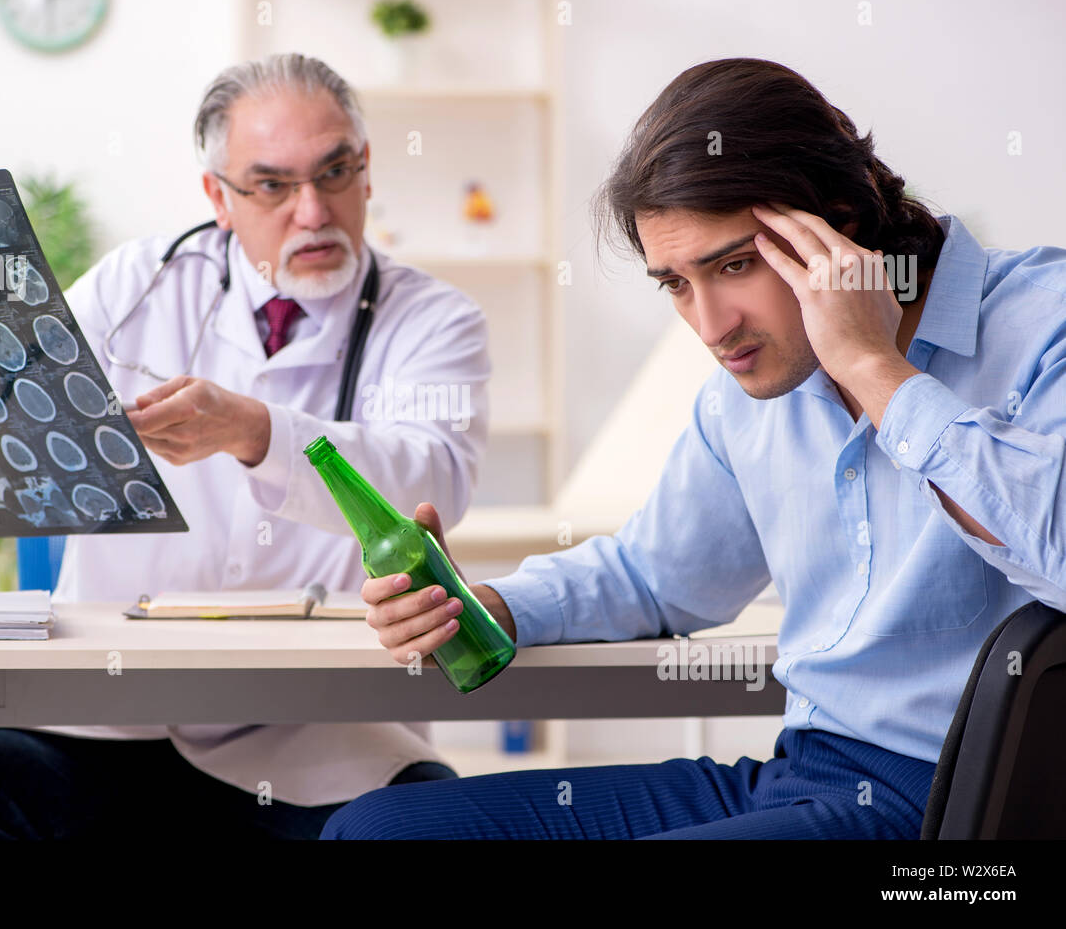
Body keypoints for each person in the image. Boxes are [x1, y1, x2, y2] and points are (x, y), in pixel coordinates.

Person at [322, 57, 1066, 839]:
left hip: (962, 808)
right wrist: (484, 604)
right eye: (675, 283)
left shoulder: (1040, 321)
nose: (711, 328)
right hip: (800, 773)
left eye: (734, 265)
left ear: (840, 225)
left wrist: (873, 367)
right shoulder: (752, 392)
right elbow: (657, 576)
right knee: (380, 829)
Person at [0, 53, 490, 839]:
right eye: (273, 184)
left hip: (318, 737)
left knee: (420, 823)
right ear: (219, 196)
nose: (313, 211)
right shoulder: (134, 282)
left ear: (367, 171)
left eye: (335, 172)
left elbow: (433, 477)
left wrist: (256, 431)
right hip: (107, 718)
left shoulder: (435, 321)